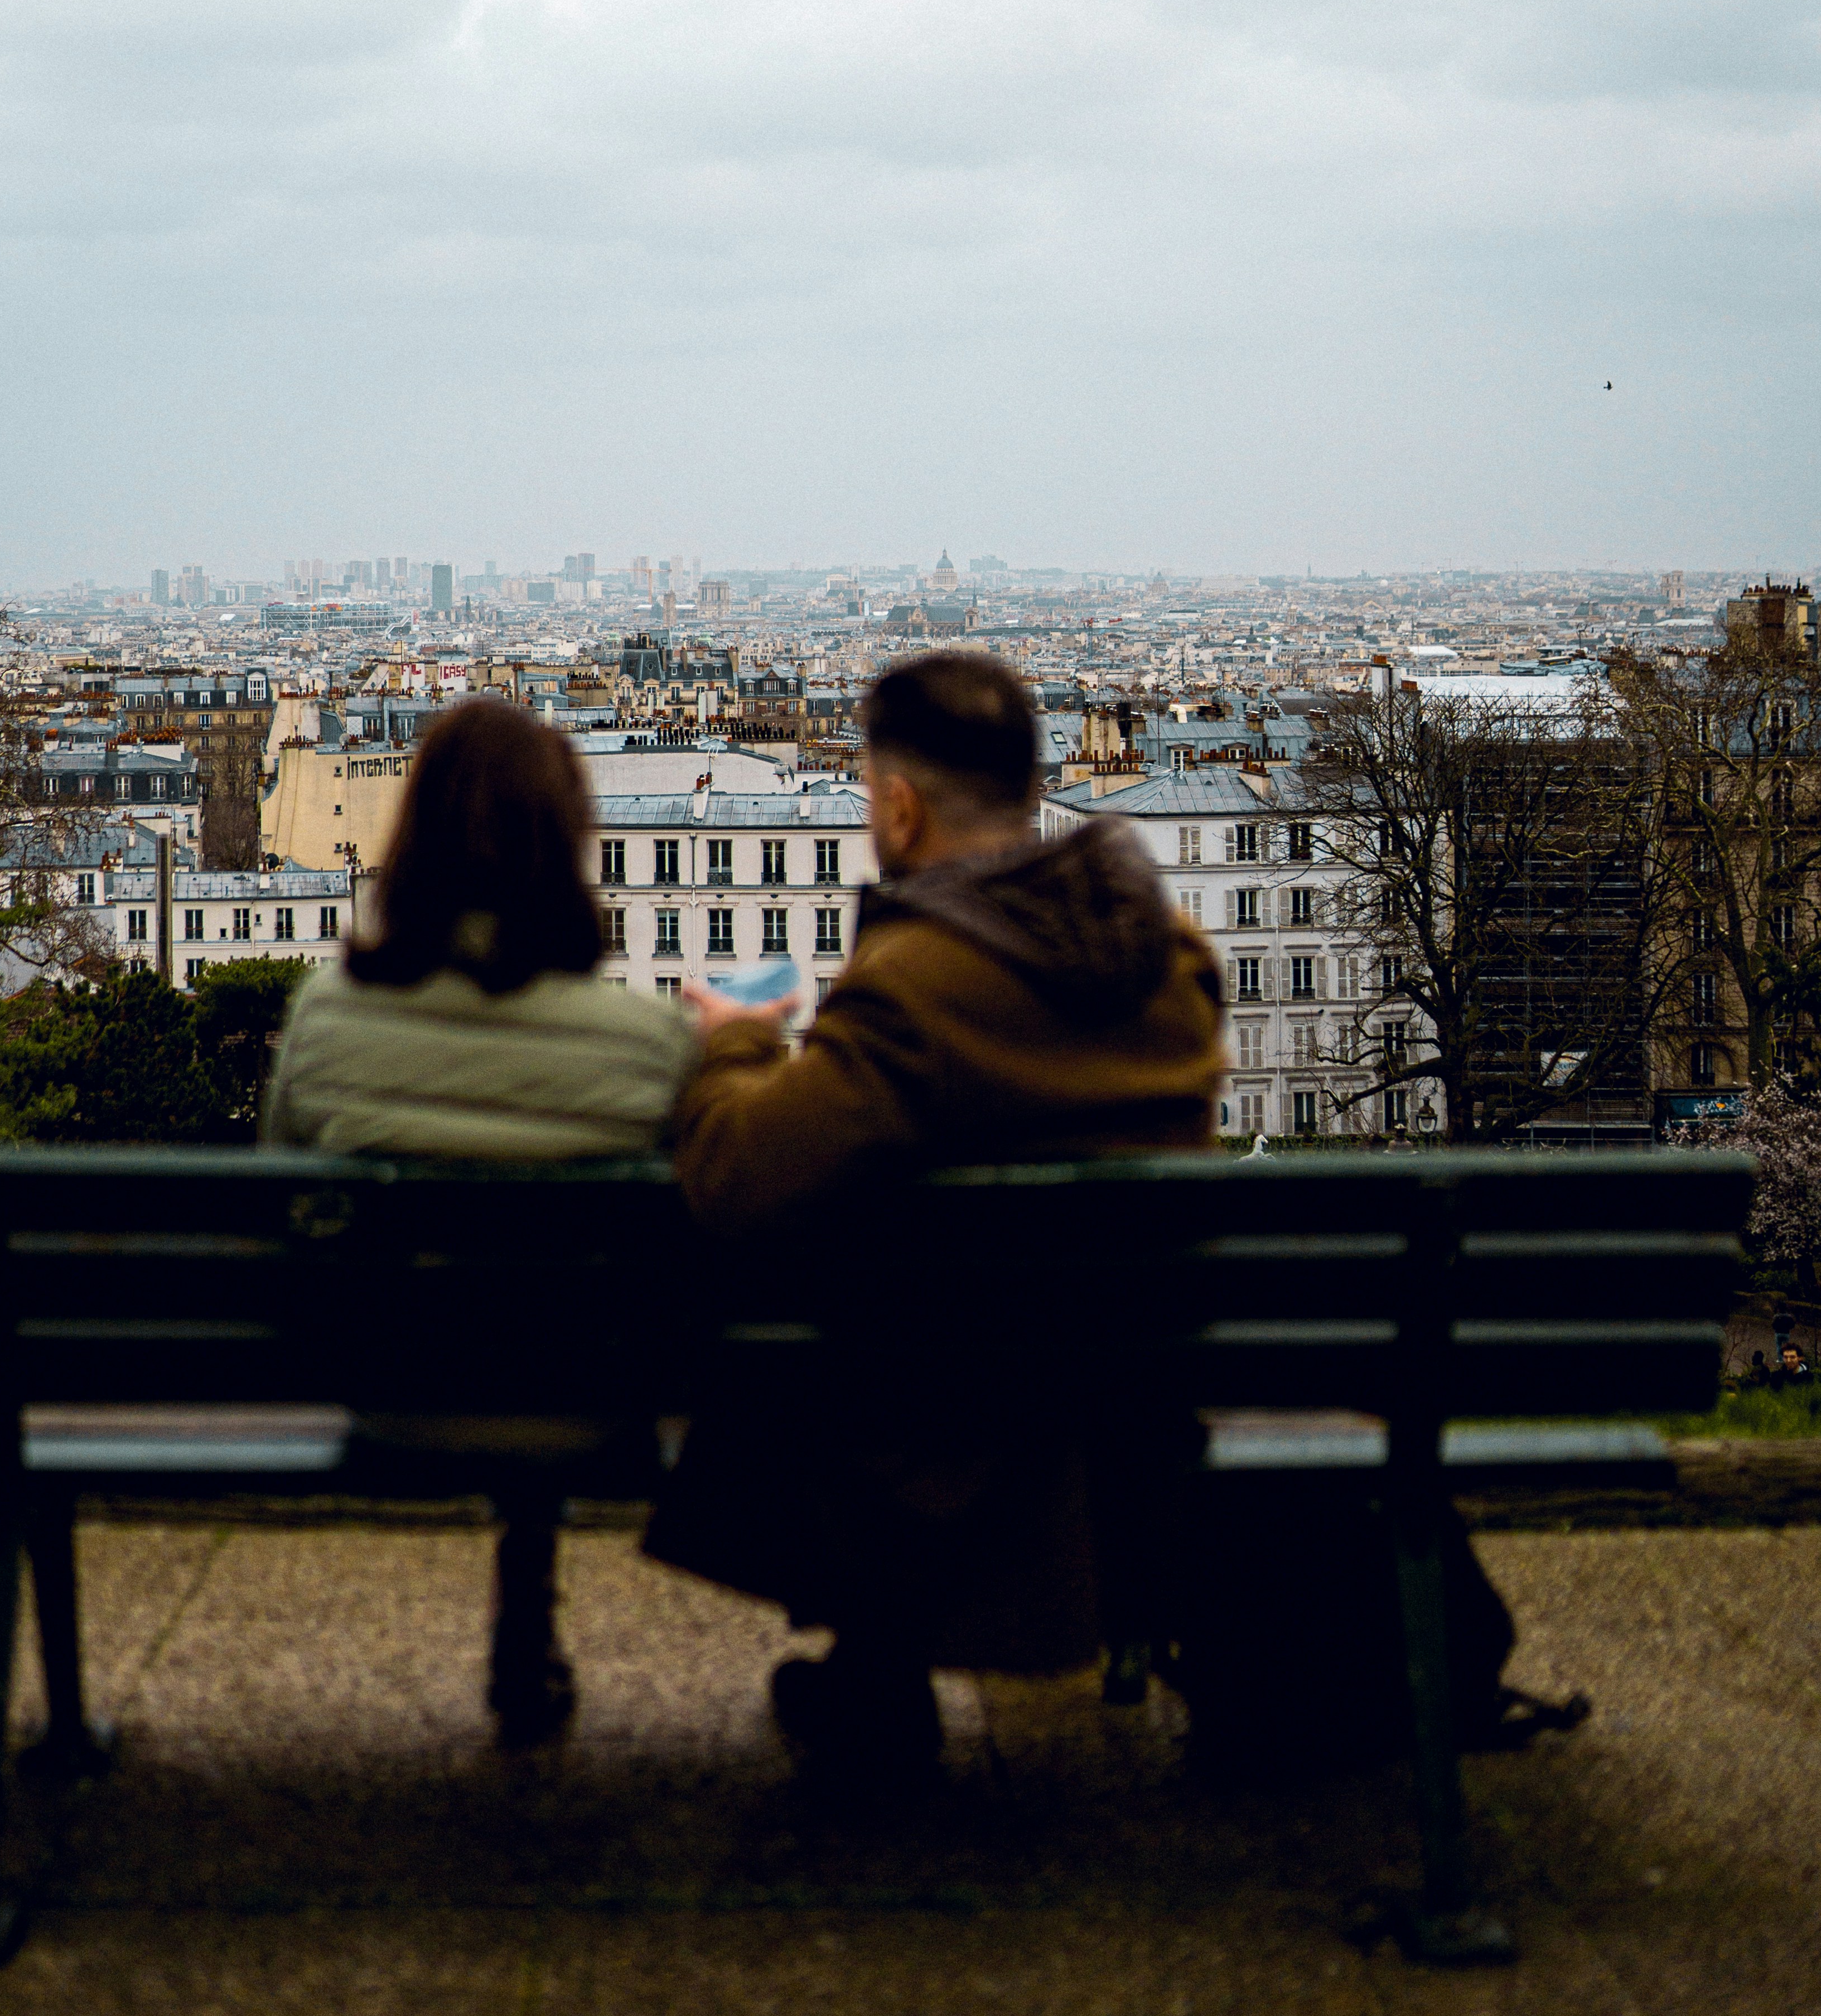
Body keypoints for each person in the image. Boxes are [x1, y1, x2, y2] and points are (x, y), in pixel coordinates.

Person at [646, 649, 1224, 1795]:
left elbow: (738, 1181)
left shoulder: (914, 982)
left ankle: (877, 1675)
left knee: (841, 1340)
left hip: (952, 1427)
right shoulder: (1169, 963)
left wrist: (738, 1044)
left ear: (897, 805)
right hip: (1136, 1413)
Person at [262, 694, 694, 1738]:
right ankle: (529, 1604)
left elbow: (279, 1206)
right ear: (567, 849)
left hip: (395, 1391)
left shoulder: (325, 1021)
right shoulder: (651, 1043)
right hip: (596, 1398)